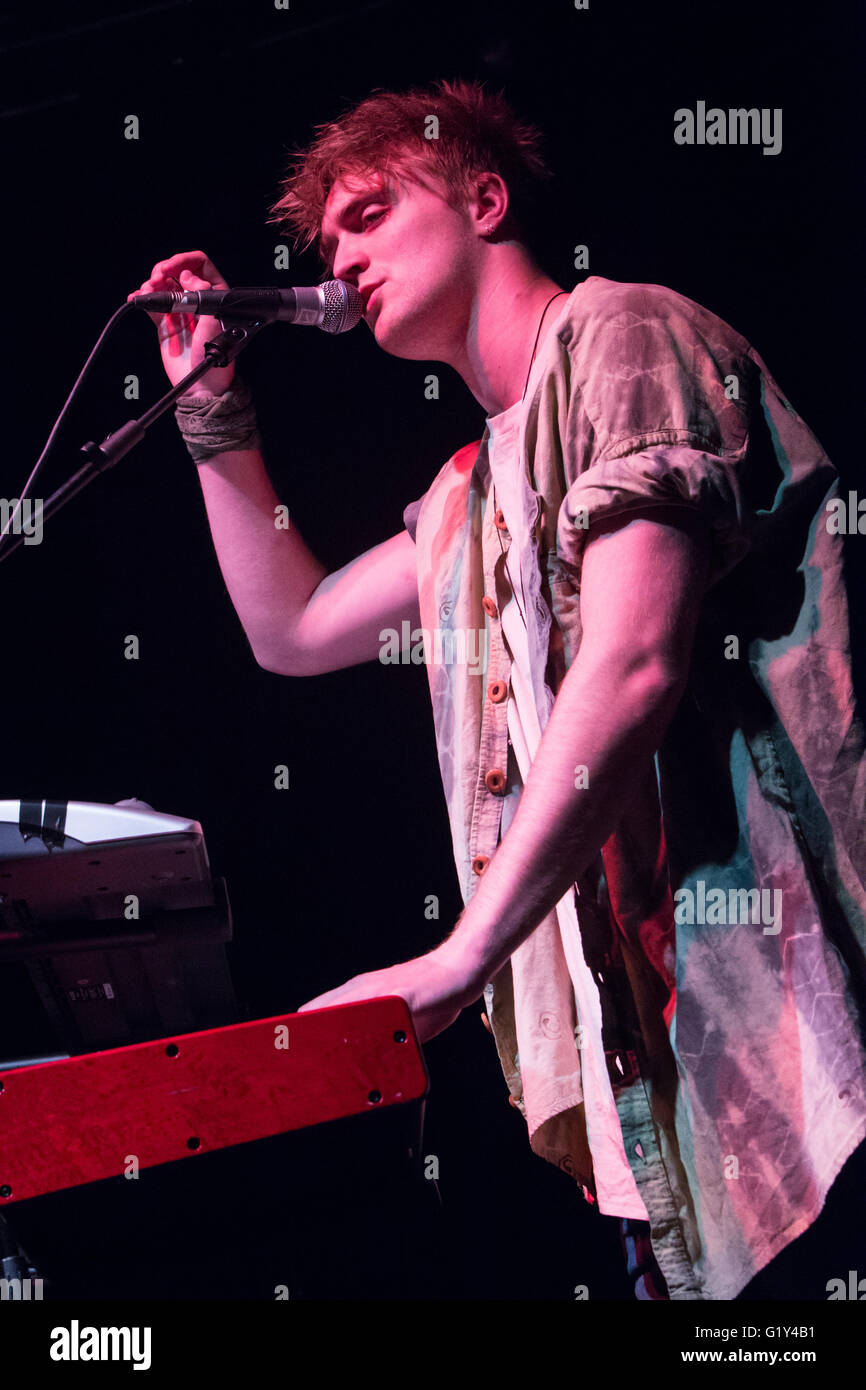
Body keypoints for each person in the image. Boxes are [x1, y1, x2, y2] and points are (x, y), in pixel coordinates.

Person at [127, 78, 866, 1302]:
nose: (340, 254)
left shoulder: (624, 333)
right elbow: (292, 626)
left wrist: (456, 958)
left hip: (807, 1042)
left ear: (483, 197)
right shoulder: (467, 494)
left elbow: (634, 660)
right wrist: (212, 417)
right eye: (326, 242)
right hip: (669, 1095)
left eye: (368, 213)